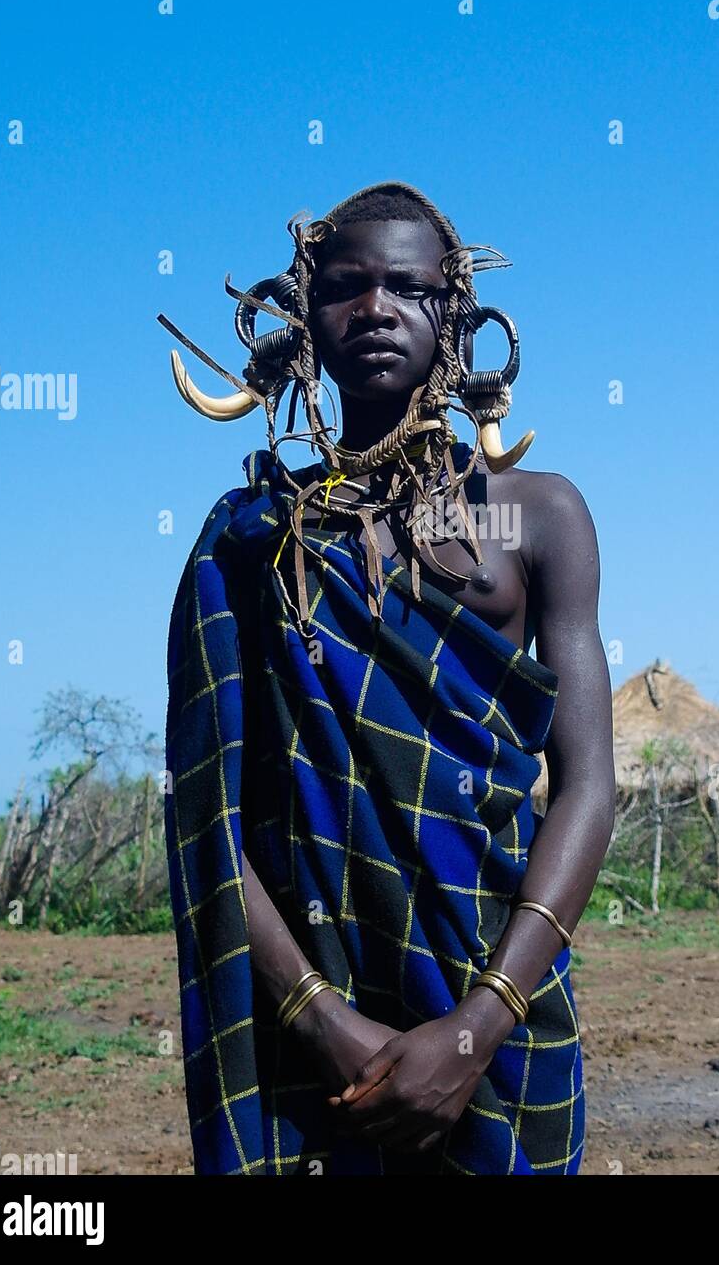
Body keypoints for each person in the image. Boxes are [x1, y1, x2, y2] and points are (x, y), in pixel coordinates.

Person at [163, 181, 616, 1175]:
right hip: (306, 1027)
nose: (375, 309)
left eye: (407, 289)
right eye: (345, 288)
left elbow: (586, 783)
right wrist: (323, 1024)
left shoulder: (536, 515)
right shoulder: (248, 538)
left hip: (499, 1004)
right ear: (301, 318)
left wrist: (480, 1023)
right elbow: (210, 820)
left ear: (455, 314)